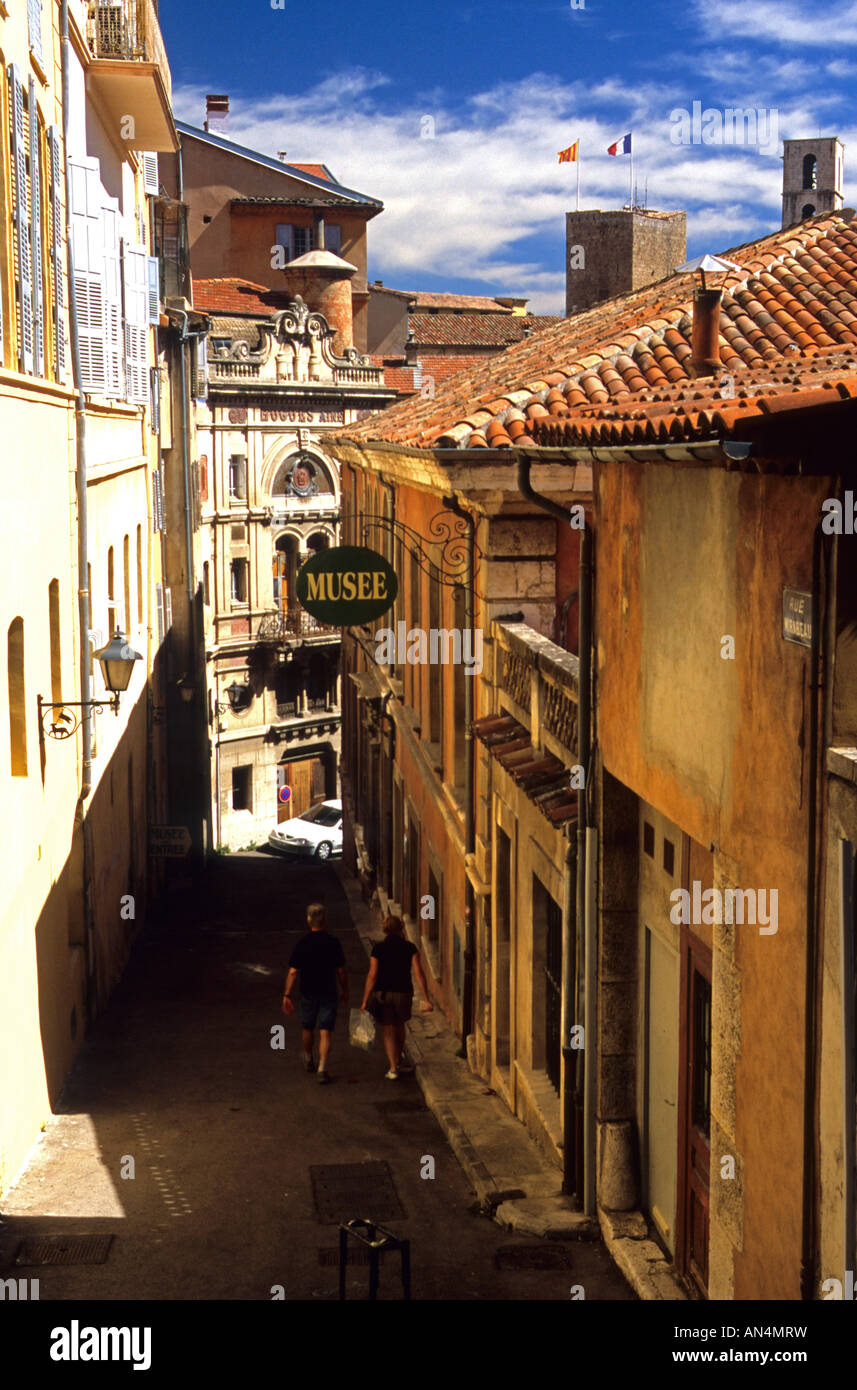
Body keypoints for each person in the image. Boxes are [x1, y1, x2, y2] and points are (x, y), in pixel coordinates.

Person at [282, 903, 348, 1084]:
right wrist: (345, 990)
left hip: (308, 992)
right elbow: (341, 971)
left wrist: (287, 995)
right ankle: (323, 1067)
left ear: (308, 920)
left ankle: (309, 1057)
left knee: (307, 1027)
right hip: (328, 991)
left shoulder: (302, 944)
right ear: (325, 920)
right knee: (326, 1030)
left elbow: (293, 972)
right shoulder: (333, 943)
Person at [360, 916, 432, 1080]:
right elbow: (419, 973)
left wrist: (365, 1000)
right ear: (401, 928)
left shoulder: (378, 949)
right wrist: (426, 998)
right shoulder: (410, 948)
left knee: (388, 1030)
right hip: (404, 993)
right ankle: (399, 1060)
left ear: (385, 930)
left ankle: (393, 1068)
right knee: (400, 1025)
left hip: (384, 994)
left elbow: (372, 975)